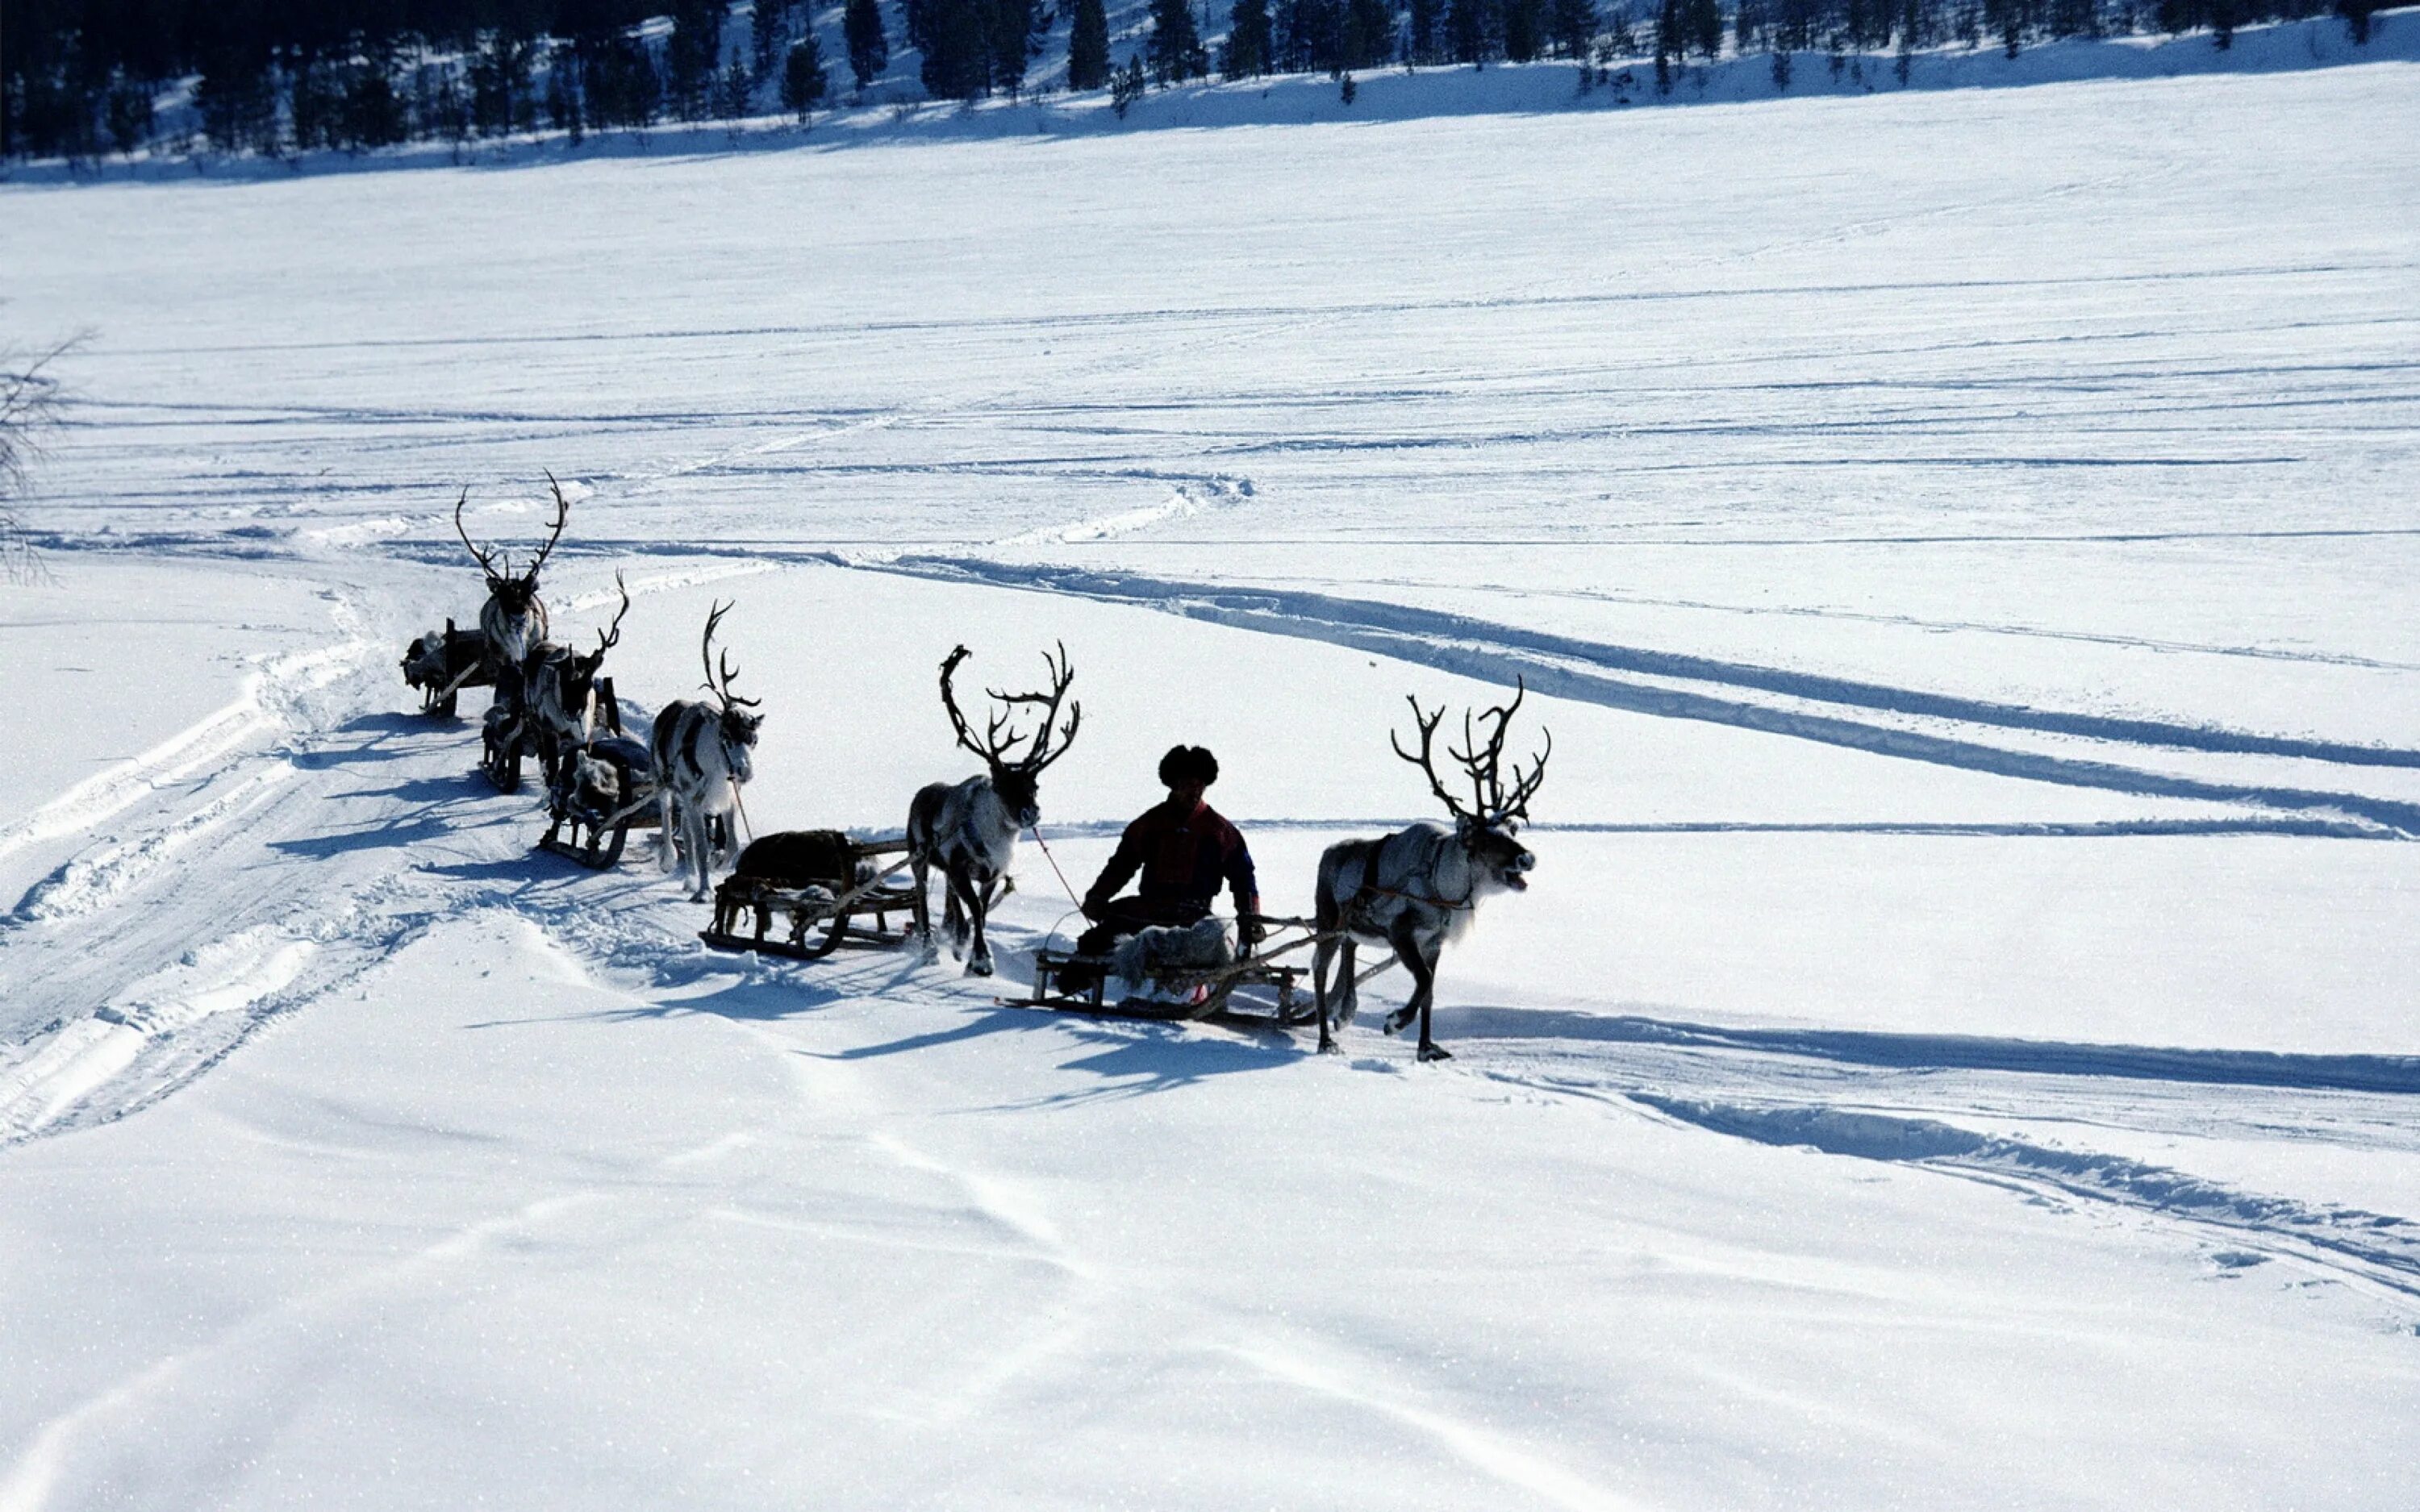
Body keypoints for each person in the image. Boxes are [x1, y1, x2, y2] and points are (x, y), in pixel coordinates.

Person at [1066, 744, 1261, 984]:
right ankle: (1071, 989)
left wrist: (1251, 917)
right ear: (1174, 785)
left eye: (1200, 786)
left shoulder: (1220, 831)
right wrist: (1097, 897)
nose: (1195, 792)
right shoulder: (1148, 825)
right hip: (1148, 910)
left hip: (1193, 916)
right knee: (1094, 941)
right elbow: (1121, 866)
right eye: (1188, 785)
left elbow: (1244, 878)